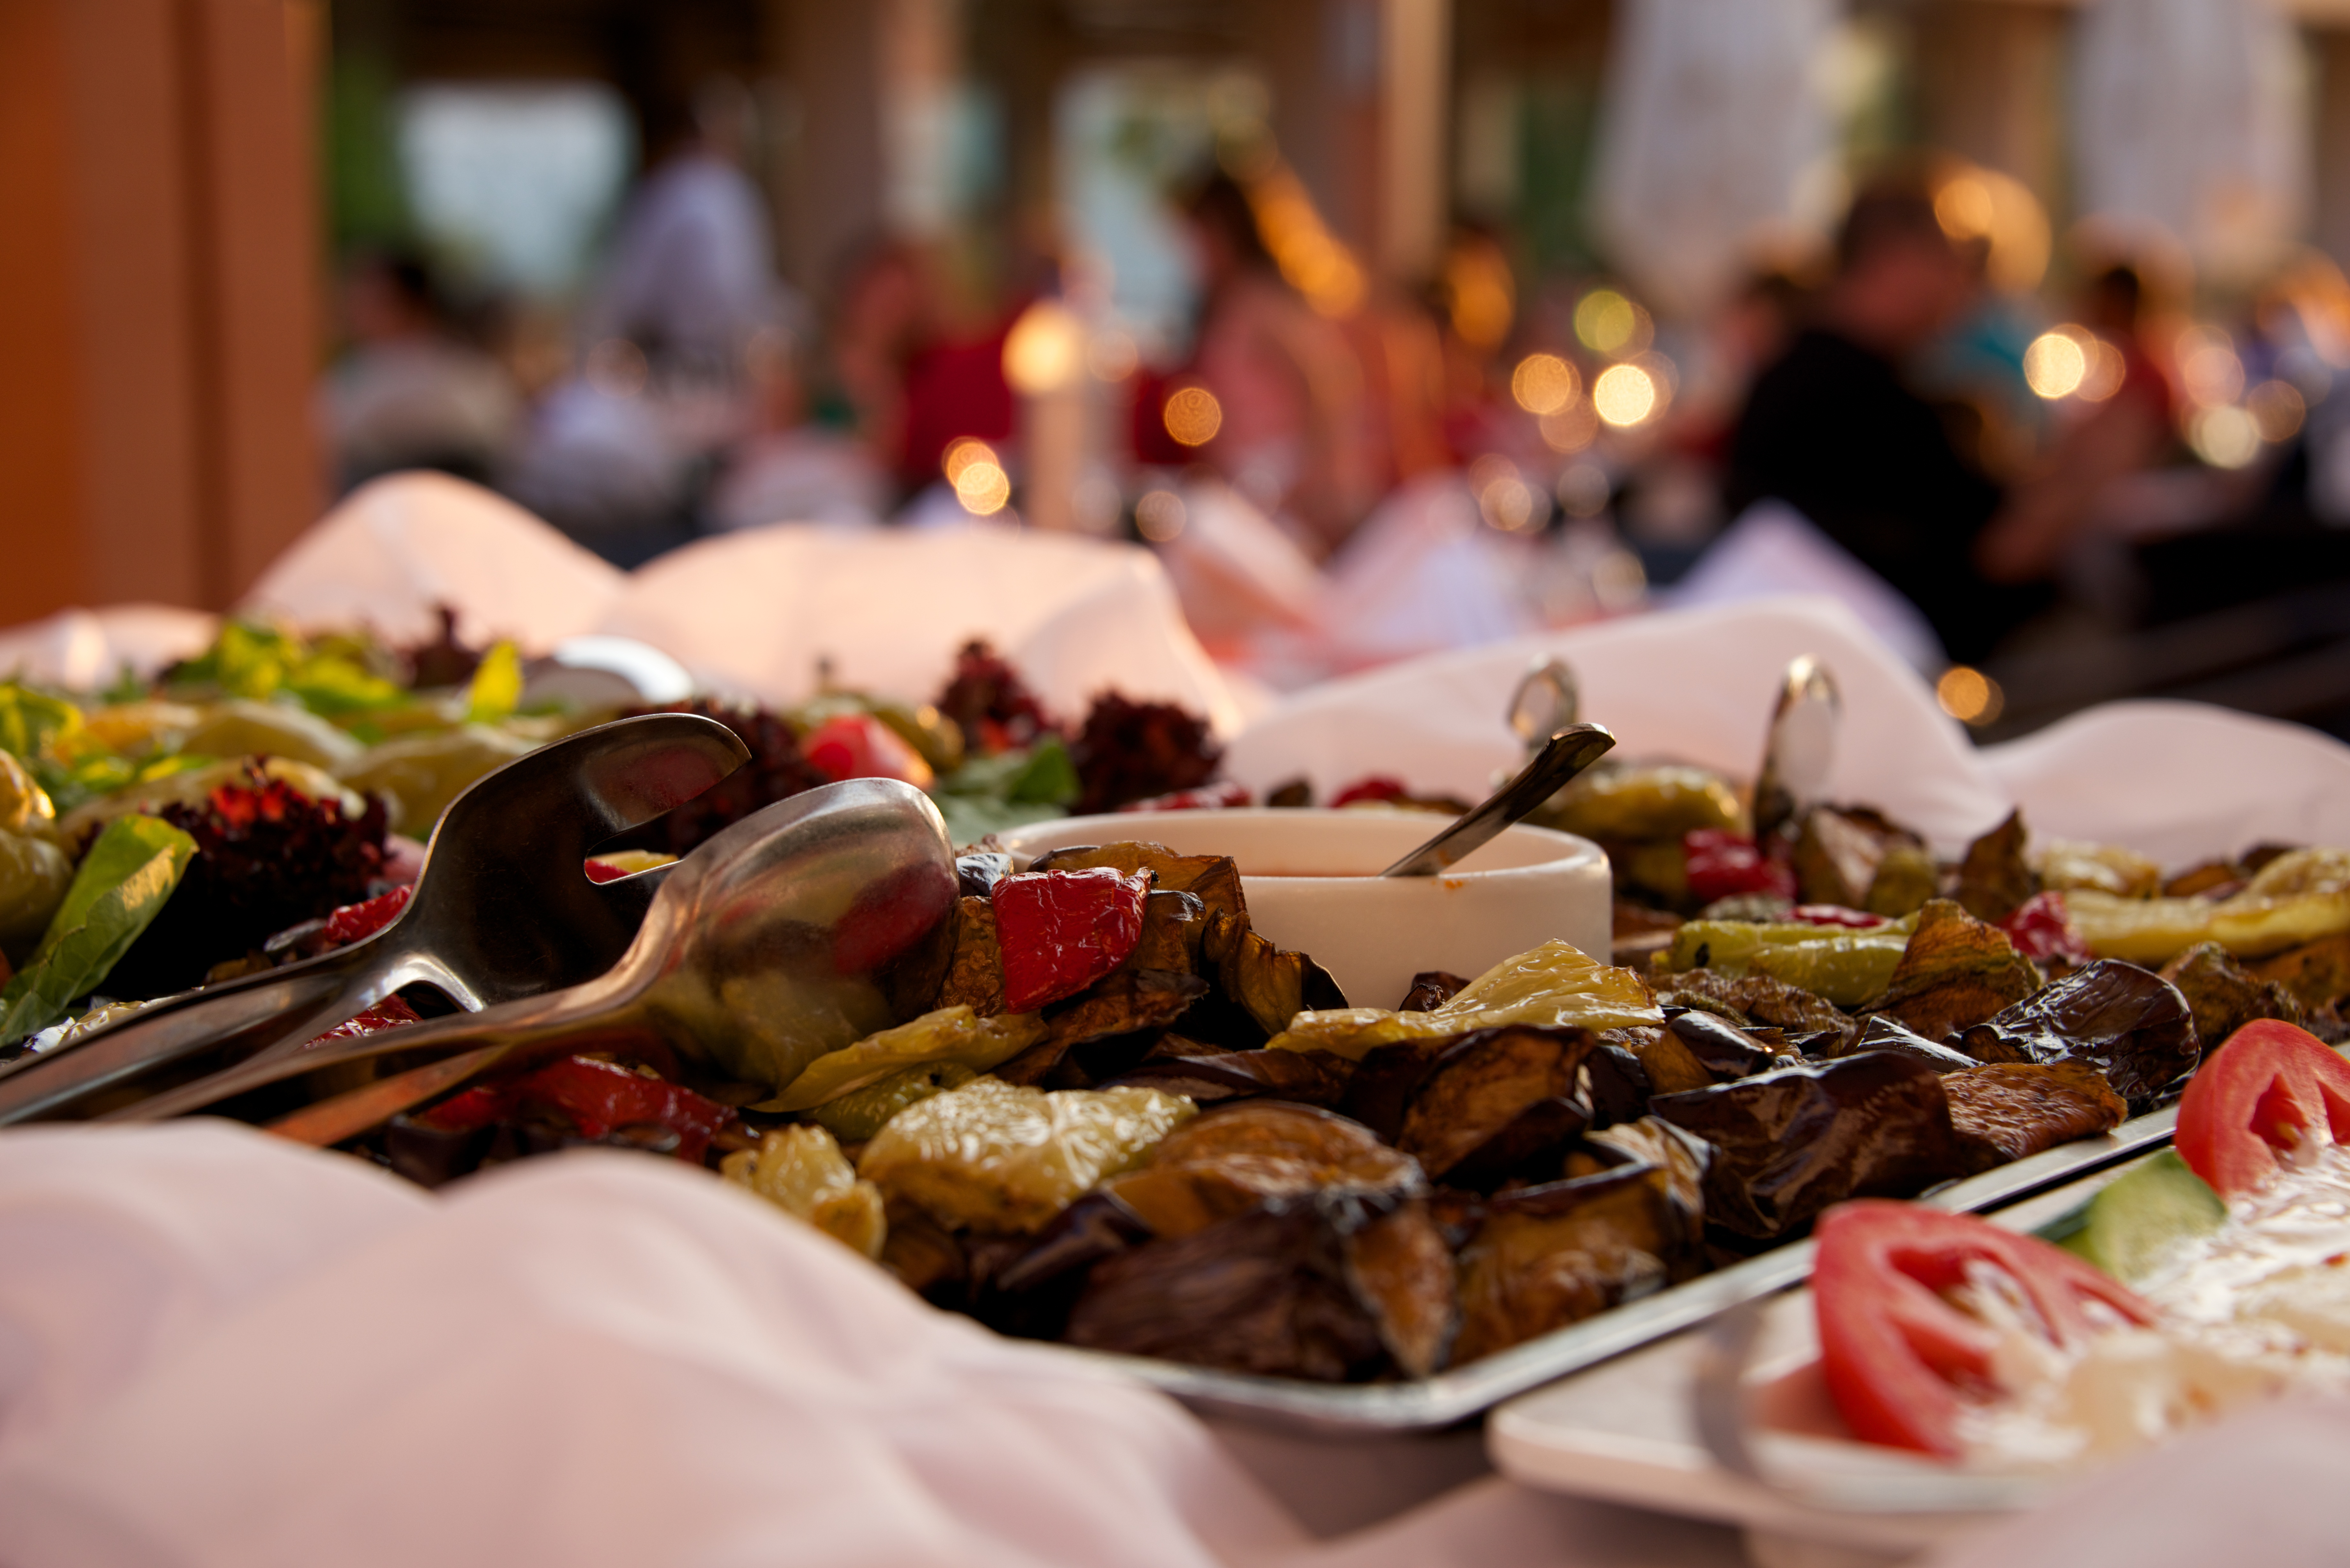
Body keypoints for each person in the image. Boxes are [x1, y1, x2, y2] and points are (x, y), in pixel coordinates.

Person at [1726, 179, 2049, 664]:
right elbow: (2005, 548)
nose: (1963, 284)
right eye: (1949, 260)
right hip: (1920, 687)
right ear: (1894, 259)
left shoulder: (1809, 374)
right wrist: (2113, 446)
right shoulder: (1856, 394)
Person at [1171, 172, 1370, 556]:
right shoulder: (1223, 304)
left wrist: (1321, 476)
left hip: (1287, 489)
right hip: (1247, 492)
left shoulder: (1263, 299)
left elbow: (1327, 380)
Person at [318, 252, 520, 494]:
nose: (359, 312)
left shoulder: (468, 377)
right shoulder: (350, 378)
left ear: (416, 303)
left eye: (377, 301)